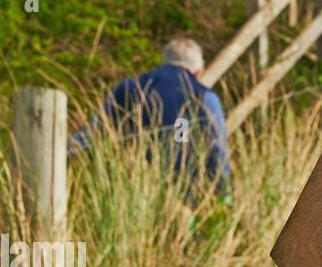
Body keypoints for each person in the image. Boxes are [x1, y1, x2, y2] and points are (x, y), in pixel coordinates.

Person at [73, 37, 232, 198]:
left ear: (165, 61)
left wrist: (65, 153)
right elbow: (216, 143)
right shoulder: (202, 94)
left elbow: (95, 129)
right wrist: (223, 188)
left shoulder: (128, 87)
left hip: (130, 185)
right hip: (182, 186)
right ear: (198, 72)